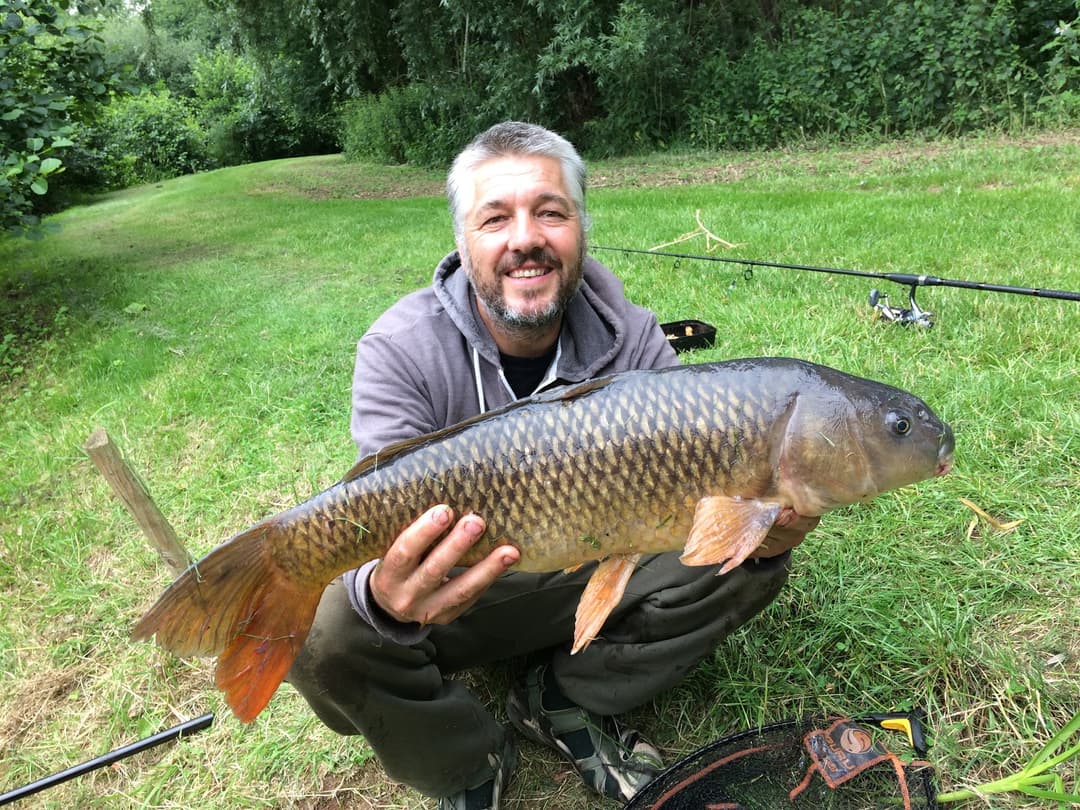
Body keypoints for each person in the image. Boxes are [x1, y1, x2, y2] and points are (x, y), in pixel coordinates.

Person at [287, 121, 815, 810]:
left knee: (751, 553)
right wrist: (387, 602)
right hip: (464, 585)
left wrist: (763, 532)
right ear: (462, 240)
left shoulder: (634, 338)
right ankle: (464, 762)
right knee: (323, 632)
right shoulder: (397, 349)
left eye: (551, 212)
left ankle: (565, 698)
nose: (526, 237)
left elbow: (718, 513)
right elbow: (376, 516)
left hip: (592, 559)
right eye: (495, 218)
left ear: (580, 229)